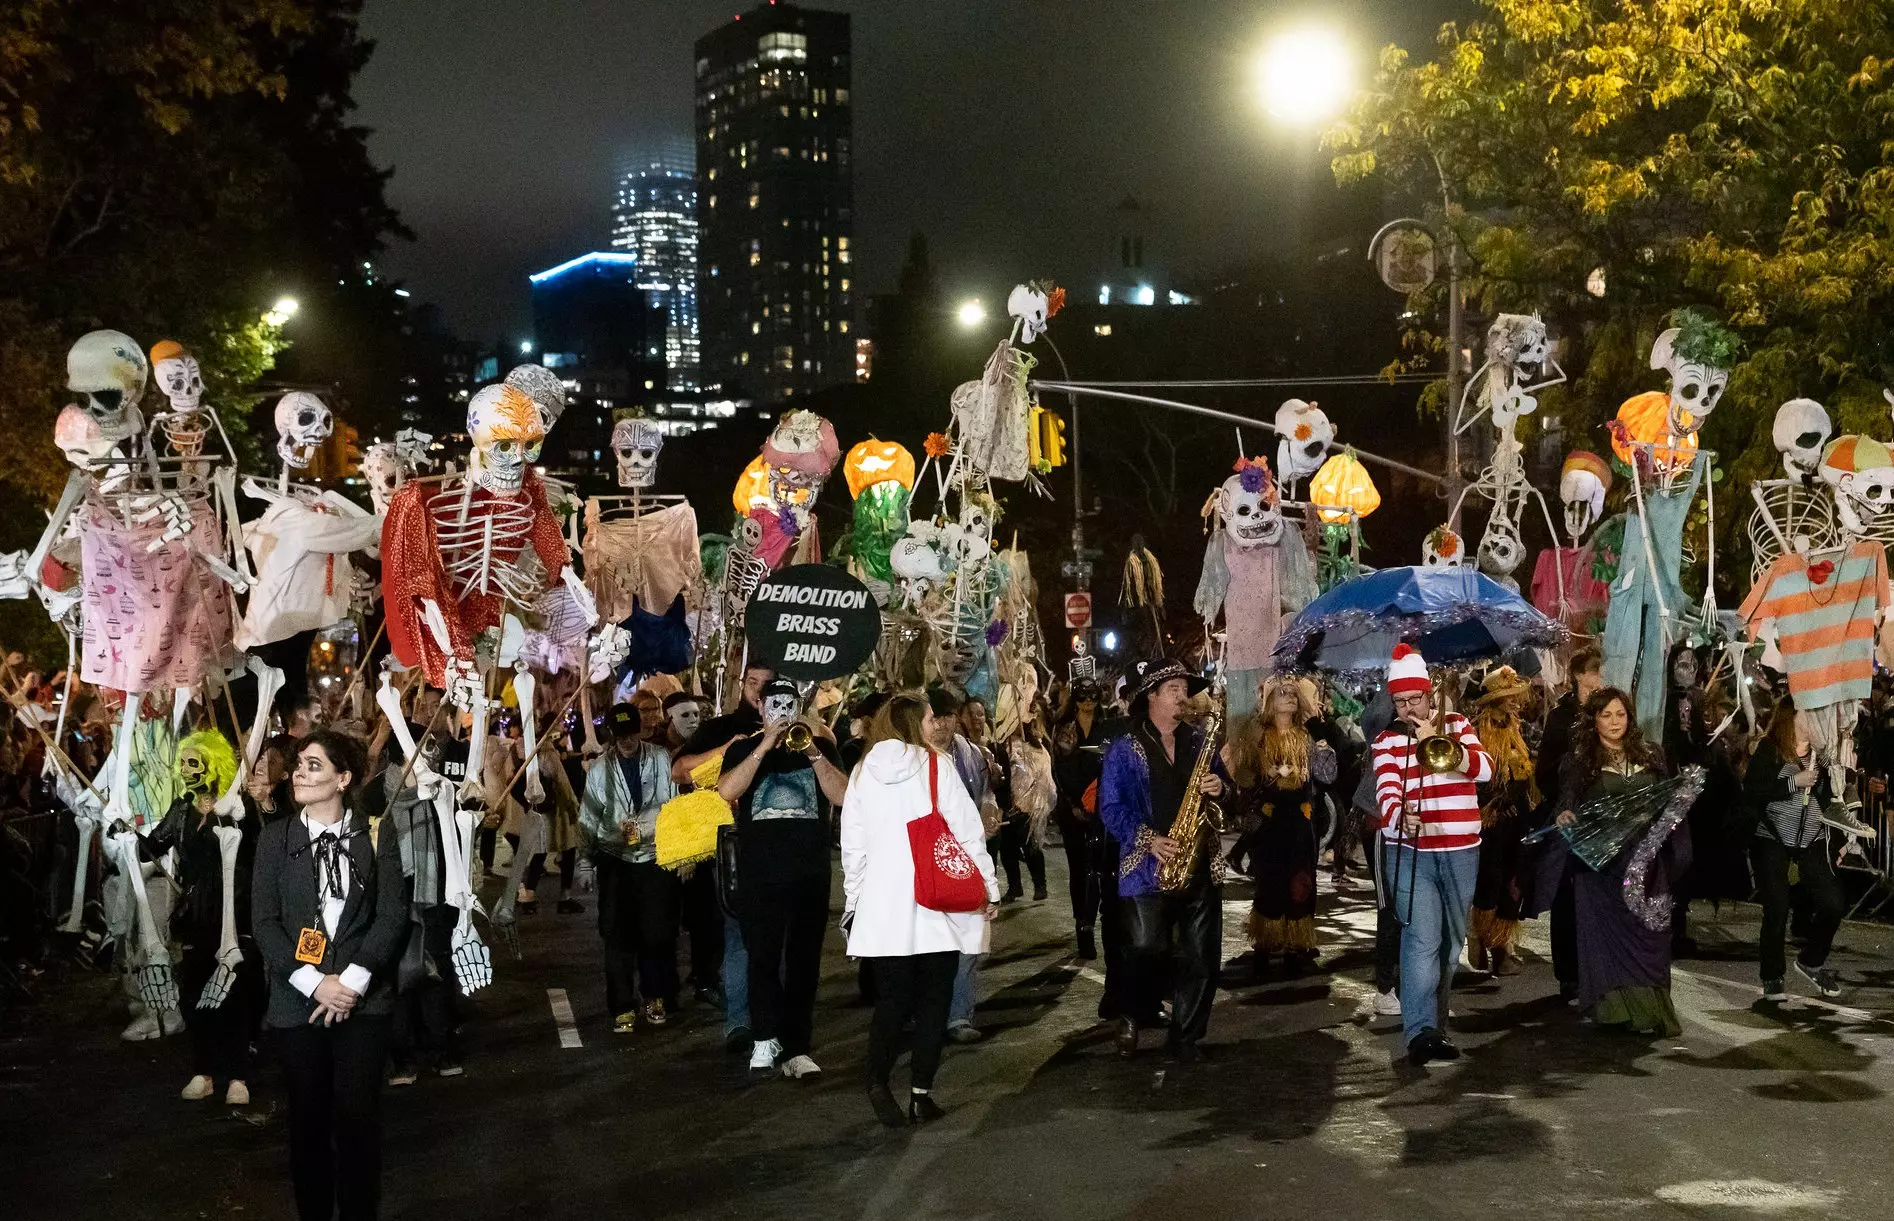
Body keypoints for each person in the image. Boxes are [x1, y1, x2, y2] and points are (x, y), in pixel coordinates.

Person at [251, 729, 408, 1221]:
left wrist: (353, 983)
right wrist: (316, 983)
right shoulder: (276, 838)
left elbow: (392, 915)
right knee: (309, 1123)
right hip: (297, 1006)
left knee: (359, 1122)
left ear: (344, 778)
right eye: (298, 764)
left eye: (314, 765)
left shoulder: (377, 832)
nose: (299, 771)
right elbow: (265, 924)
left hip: (363, 1004)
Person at [841, 693, 1000, 1126]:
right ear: (914, 723)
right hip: (936, 905)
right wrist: (988, 886)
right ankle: (920, 1095)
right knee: (934, 1002)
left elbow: (853, 848)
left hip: (882, 907)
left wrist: (854, 903)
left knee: (892, 1002)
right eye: (929, 718)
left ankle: (876, 1079)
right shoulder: (935, 766)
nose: (935, 725)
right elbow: (967, 833)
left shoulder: (861, 773)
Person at [716, 678, 849, 1078]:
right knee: (763, 956)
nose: (782, 712)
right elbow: (727, 790)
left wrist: (809, 748)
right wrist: (763, 746)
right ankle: (764, 1036)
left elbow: (842, 795)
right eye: (774, 704)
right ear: (761, 707)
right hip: (761, 872)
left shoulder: (819, 746)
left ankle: (797, 1046)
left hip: (809, 870)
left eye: (789, 704)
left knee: (804, 960)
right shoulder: (743, 748)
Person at [1098, 659, 1227, 1062]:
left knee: (1201, 955)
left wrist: (1221, 787)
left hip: (1198, 861)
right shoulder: (1124, 748)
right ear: (1151, 696)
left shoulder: (1199, 742)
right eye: (1173, 688)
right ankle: (1132, 1012)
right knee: (1145, 949)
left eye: (1185, 688)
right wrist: (1148, 838)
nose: (1183, 695)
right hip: (1145, 866)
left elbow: (1230, 797)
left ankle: (1185, 1038)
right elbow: (1110, 807)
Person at [1370, 643, 1493, 1067]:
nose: (1407, 708)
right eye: (1399, 701)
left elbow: (1486, 769)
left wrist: (1439, 742)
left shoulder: (1457, 725)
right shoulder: (1386, 742)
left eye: (1414, 699)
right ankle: (1419, 1032)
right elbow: (1386, 790)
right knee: (1422, 940)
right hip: (1414, 854)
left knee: (1449, 946)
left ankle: (1434, 1028)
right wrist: (1397, 816)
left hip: (1461, 850)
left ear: (1428, 694)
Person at [1545, 687, 1690, 1036]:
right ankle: (1615, 1010)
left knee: (1651, 933)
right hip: (1602, 866)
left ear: (1630, 717)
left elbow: (1668, 798)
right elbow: (1566, 801)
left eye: (1620, 714)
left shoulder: (1652, 754)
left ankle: (1652, 1010)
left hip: (1647, 861)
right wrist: (1565, 814)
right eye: (1606, 715)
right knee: (1607, 937)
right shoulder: (1581, 759)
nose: (1614, 722)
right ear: (1594, 720)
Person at [140, 730, 259, 1106]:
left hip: (235, 917)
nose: (186, 769)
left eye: (194, 762)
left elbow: (260, 844)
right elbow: (152, 846)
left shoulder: (239, 808)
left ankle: (239, 1075)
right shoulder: (182, 808)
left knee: (236, 996)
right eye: (184, 762)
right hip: (194, 918)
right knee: (196, 996)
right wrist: (129, 832)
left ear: (213, 764)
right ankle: (203, 1071)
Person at [577, 702, 680, 1034]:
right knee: (617, 935)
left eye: (631, 733)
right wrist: (584, 863)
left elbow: (676, 805)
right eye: (619, 734)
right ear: (611, 734)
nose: (626, 740)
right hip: (615, 860)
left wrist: (682, 852)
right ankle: (622, 1005)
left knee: (657, 932)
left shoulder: (662, 760)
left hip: (655, 856)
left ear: (641, 730)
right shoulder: (598, 771)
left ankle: (655, 997)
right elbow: (588, 819)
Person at [1228, 674, 1334, 975]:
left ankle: (1294, 943)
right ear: (1269, 701)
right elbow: (1244, 779)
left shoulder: (1307, 736)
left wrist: (1321, 739)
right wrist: (1268, 773)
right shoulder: (1257, 737)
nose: (1288, 697)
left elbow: (1328, 775)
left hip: (1300, 820)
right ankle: (1266, 940)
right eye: (1282, 693)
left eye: (1292, 693)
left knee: (1300, 882)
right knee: (1269, 881)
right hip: (1269, 820)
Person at [1745, 693, 1843, 1000]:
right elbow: (1753, 792)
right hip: (1773, 838)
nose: (1816, 721)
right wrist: (1794, 782)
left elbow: (1832, 803)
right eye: (1810, 715)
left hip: (1811, 840)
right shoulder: (1771, 750)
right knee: (1776, 908)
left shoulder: (1822, 755)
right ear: (1793, 717)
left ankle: (1811, 962)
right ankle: (1772, 975)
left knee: (1833, 904)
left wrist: (1840, 840)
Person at [925, 685, 996, 1044]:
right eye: (934, 717)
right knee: (932, 942)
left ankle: (959, 1015)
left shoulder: (970, 753)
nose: (941, 724)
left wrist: (989, 812)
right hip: (925, 861)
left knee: (968, 939)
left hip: (965, 858)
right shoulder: (909, 757)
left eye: (948, 716)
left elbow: (985, 794)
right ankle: (928, 1012)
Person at [1532, 647, 1603, 999]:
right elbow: (1544, 768)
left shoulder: (1606, 712)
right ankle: (1568, 973)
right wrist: (1561, 797)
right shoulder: (1561, 717)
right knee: (1566, 893)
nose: (1599, 676)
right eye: (1593, 670)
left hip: (1599, 814)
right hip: (1568, 815)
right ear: (1578, 675)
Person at [1466, 667, 1540, 976]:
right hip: (1490, 820)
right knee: (1490, 880)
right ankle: (1482, 940)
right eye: (1509, 698)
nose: (1515, 703)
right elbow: (1474, 776)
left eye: (1515, 698)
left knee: (1513, 880)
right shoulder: (1474, 732)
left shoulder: (1516, 729)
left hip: (1517, 818)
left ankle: (1501, 945)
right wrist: (1495, 803)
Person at [1051, 680, 1112, 961]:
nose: (1088, 700)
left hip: (1104, 807)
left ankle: (1103, 922)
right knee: (1081, 869)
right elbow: (1060, 771)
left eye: (1093, 694)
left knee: (1103, 866)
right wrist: (1075, 805)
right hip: (1073, 810)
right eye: (1083, 695)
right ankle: (1083, 926)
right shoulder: (1064, 729)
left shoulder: (1108, 725)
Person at [999, 712, 1055, 902]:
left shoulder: (1038, 748)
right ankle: (1014, 886)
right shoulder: (1004, 745)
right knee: (1007, 850)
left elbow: (1043, 777)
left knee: (1032, 848)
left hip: (1029, 807)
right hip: (1009, 805)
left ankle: (1040, 885)